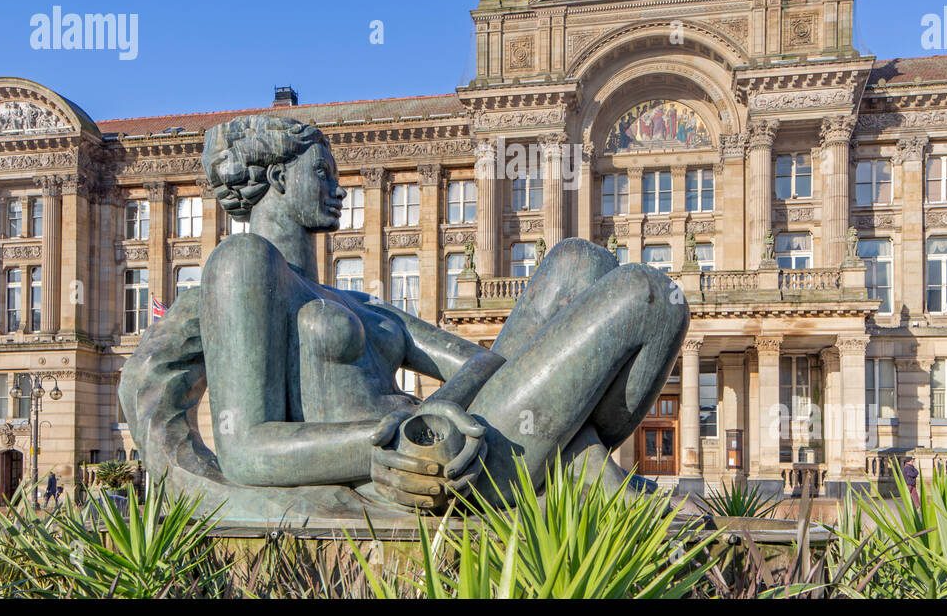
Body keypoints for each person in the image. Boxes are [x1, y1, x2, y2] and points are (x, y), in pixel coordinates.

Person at [120, 115, 689, 521]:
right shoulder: (244, 265)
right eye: (321, 173)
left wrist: (438, 411)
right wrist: (386, 442)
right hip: (413, 473)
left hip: (448, 439)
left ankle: (587, 473)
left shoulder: (360, 302)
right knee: (649, 293)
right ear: (274, 178)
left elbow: (486, 361)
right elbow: (244, 450)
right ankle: (592, 479)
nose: (338, 188)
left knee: (577, 260)